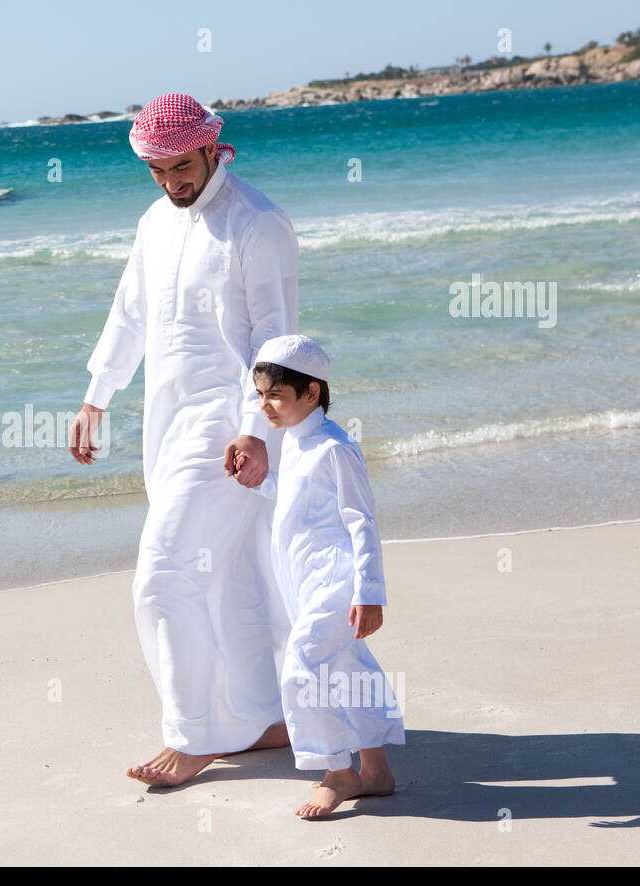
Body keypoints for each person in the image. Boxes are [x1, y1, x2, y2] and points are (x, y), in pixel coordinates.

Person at [68, 93, 299, 786]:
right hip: (166, 425)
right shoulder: (154, 222)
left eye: (181, 167)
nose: (172, 182)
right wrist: (96, 397)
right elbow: (130, 314)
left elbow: (274, 337)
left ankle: (193, 734)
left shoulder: (256, 223)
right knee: (224, 572)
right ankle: (260, 717)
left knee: (164, 572)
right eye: (158, 171)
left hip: (231, 423)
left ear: (212, 148)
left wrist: (258, 429)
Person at [234, 334, 404, 817]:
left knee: (302, 668)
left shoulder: (336, 447)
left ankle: (337, 771)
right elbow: (299, 502)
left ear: (312, 393)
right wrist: (260, 480)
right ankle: (376, 771)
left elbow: (362, 521)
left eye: (276, 395)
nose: (265, 406)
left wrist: (370, 593)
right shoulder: (294, 442)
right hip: (304, 579)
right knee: (347, 669)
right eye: (260, 394)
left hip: (338, 580)